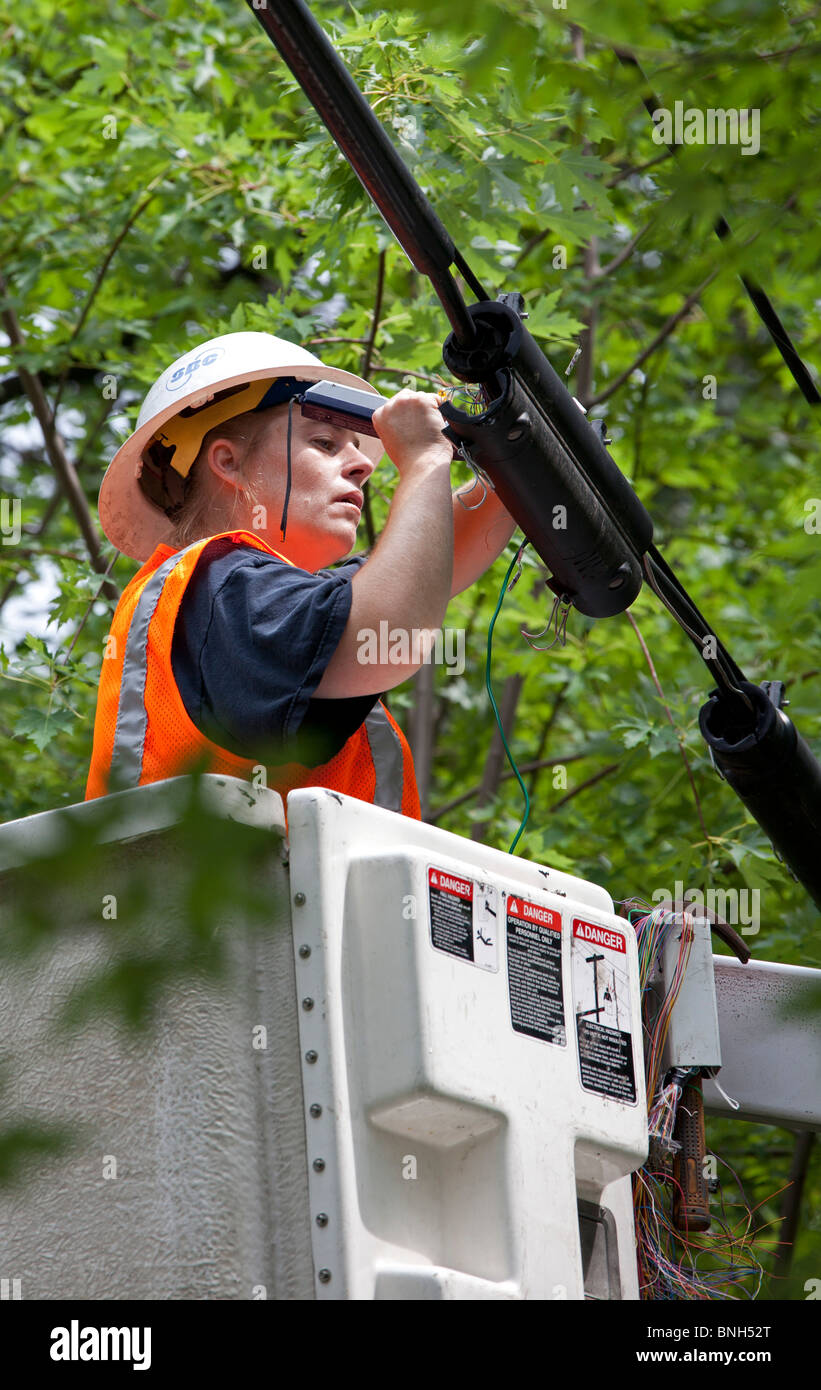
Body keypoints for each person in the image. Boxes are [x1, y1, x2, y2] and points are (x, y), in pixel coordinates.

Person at [85, 331, 518, 816]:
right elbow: (388, 632)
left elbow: (421, 575)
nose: (361, 465)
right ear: (228, 462)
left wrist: (515, 468)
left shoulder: (239, 600)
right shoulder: (221, 587)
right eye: (325, 442)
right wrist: (423, 458)